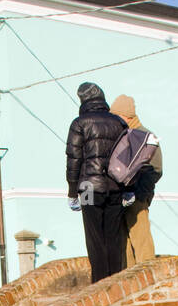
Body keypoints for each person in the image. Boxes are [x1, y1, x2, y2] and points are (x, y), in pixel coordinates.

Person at [66, 81, 128, 283]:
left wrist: (72, 192)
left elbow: (74, 160)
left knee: (94, 237)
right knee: (114, 237)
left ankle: (99, 284)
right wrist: (129, 188)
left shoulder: (79, 123)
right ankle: (115, 282)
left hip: (87, 186)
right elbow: (128, 158)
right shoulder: (119, 123)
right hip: (116, 184)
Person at [110, 94, 163, 266]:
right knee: (124, 246)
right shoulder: (123, 134)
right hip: (121, 197)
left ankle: (147, 284)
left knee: (142, 245)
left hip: (137, 198)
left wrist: (139, 194)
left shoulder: (146, 136)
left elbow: (155, 170)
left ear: (127, 115)